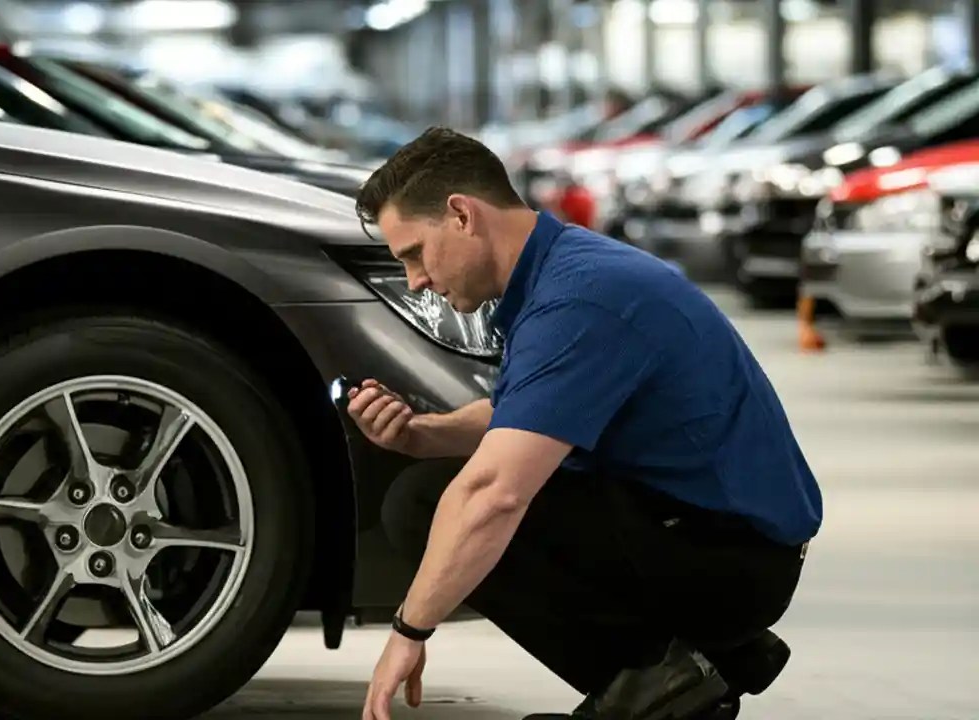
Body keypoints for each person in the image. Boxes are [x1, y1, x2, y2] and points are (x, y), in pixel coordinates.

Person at [345, 127, 821, 720]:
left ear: (462, 215)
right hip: (711, 533)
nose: (416, 279)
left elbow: (493, 493)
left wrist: (409, 632)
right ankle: (689, 670)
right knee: (437, 489)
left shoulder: (579, 299)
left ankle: (664, 688)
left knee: (439, 503)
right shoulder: (566, 269)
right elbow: (529, 413)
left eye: (414, 253)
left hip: (730, 558)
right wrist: (422, 435)